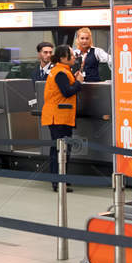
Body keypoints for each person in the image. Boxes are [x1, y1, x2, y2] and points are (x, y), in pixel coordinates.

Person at [41, 44, 81, 191]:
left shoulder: (60, 71)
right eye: (72, 54)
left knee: (58, 149)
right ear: (64, 57)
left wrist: (74, 80)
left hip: (58, 116)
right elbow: (67, 92)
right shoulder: (61, 73)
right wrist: (78, 83)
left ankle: (59, 180)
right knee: (61, 150)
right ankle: (58, 182)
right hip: (59, 117)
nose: (75, 56)